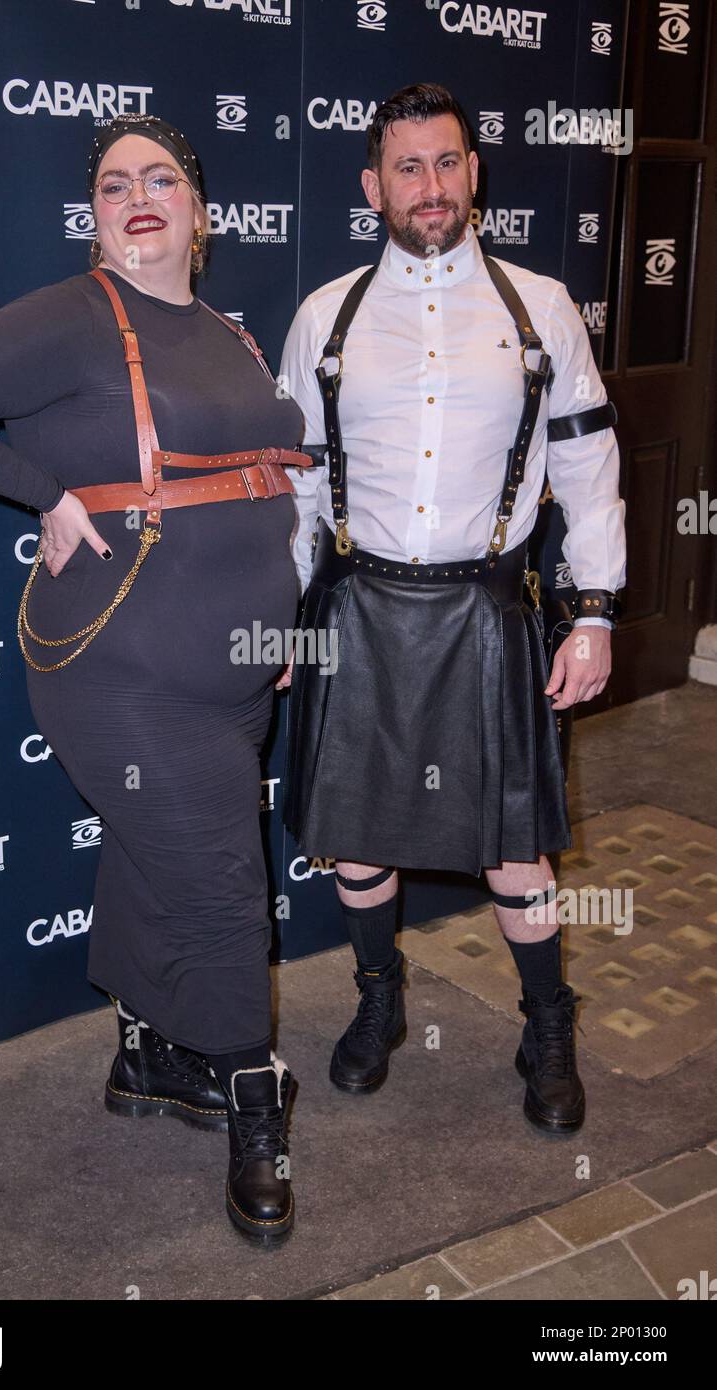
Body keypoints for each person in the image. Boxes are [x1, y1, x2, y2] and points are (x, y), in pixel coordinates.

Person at [0, 113, 306, 1243]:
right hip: (122, 672)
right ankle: (252, 1104)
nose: (138, 195)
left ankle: (150, 1055)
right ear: (95, 217)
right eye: (114, 183)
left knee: (153, 854)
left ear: (199, 212)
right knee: (223, 889)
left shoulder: (225, 331)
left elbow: (258, 485)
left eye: (160, 177)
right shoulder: (74, 317)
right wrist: (49, 497)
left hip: (234, 670)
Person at [277, 84, 626, 1133]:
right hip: (355, 612)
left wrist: (595, 611)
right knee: (355, 843)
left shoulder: (540, 306)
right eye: (405, 167)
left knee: (515, 849)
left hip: (487, 613)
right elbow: (298, 483)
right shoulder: (324, 316)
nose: (426, 185)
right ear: (371, 185)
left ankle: (544, 1021)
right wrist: (284, 615)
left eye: (444, 162)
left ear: (471, 172)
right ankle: (378, 999)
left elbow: (586, 461)